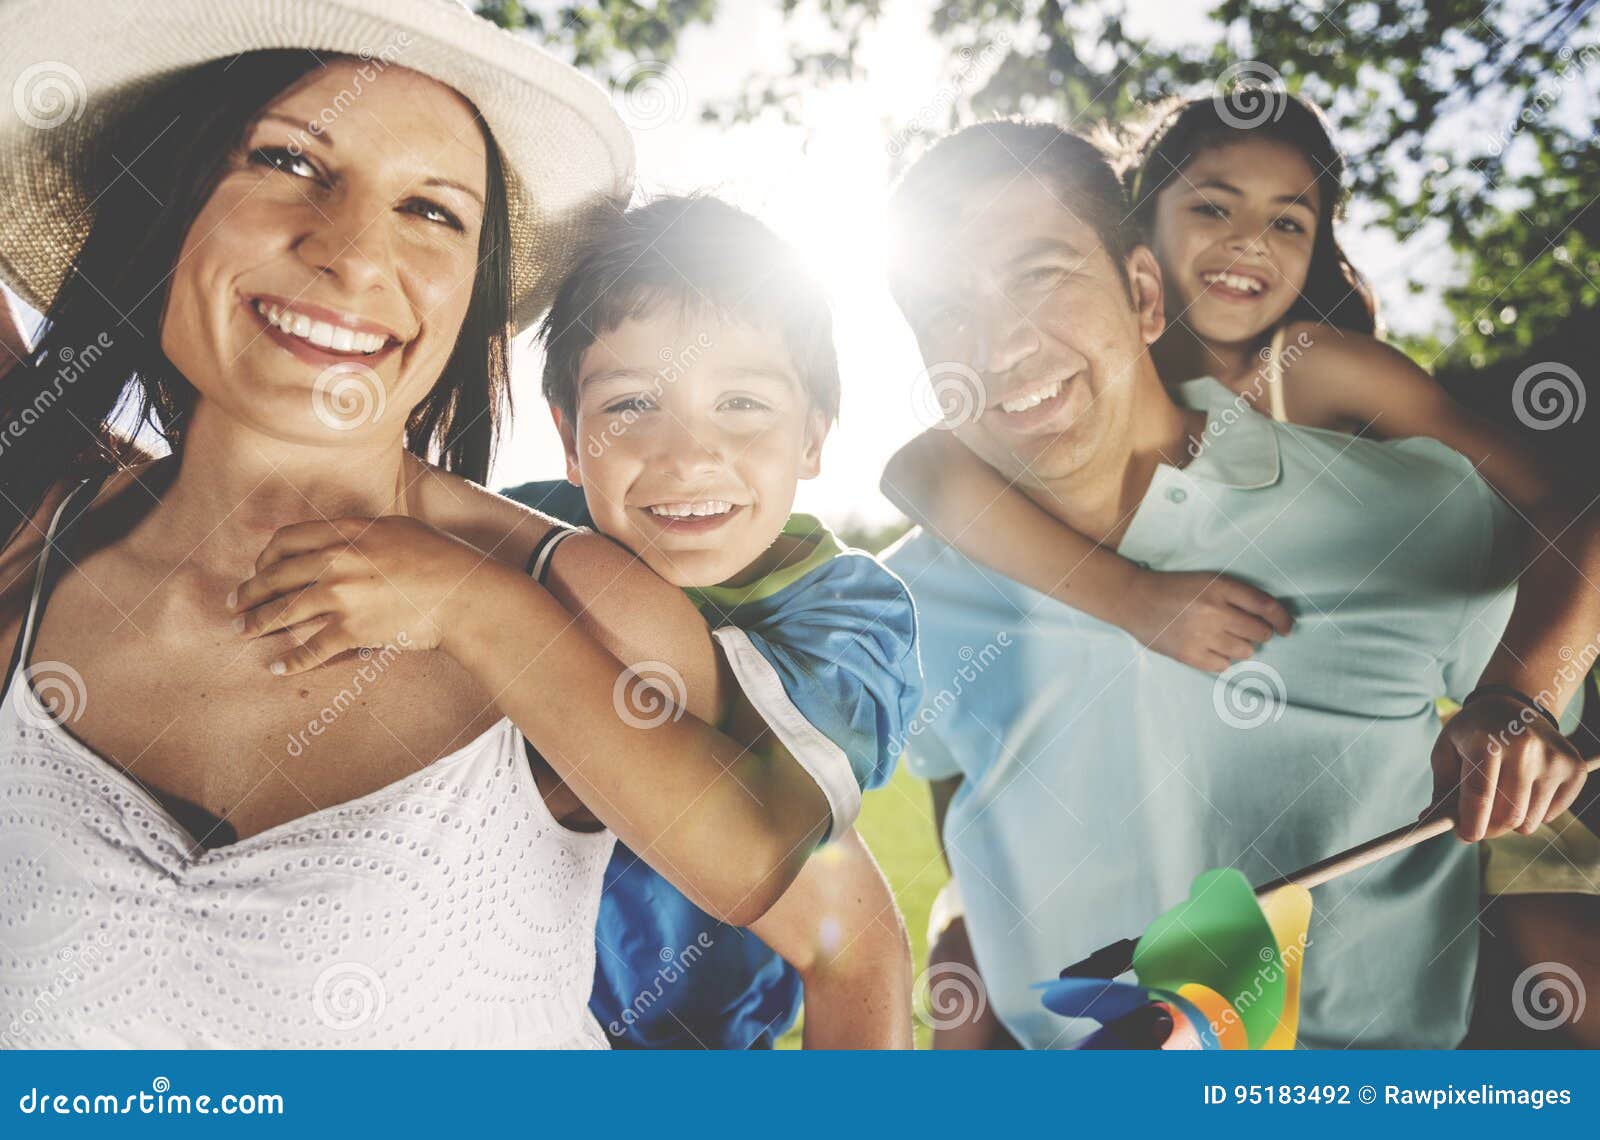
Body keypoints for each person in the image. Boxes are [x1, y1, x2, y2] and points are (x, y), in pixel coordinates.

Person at [0, 0, 825, 1048]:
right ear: (164, 203)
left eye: (432, 211)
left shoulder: (585, 605)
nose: (351, 254)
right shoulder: (33, 550)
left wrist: (478, 610)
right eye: (289, 162)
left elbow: (784, 882)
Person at [880, 96, 1600, 1041]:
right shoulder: (912, 594)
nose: (1000, 345)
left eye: (1041, 276)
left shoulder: (1383, 484)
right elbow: (961, 824)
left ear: (1143, 294)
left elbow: (1566, 529)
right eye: (945, 310)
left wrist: (1520, 699)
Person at [503, 195, 918, 1048]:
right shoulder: (523, 524)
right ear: (570, 440)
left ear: (812, 438)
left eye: (741, 404)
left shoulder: (847, 612)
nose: (688, 455)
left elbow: (766, 816)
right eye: (628, 407)